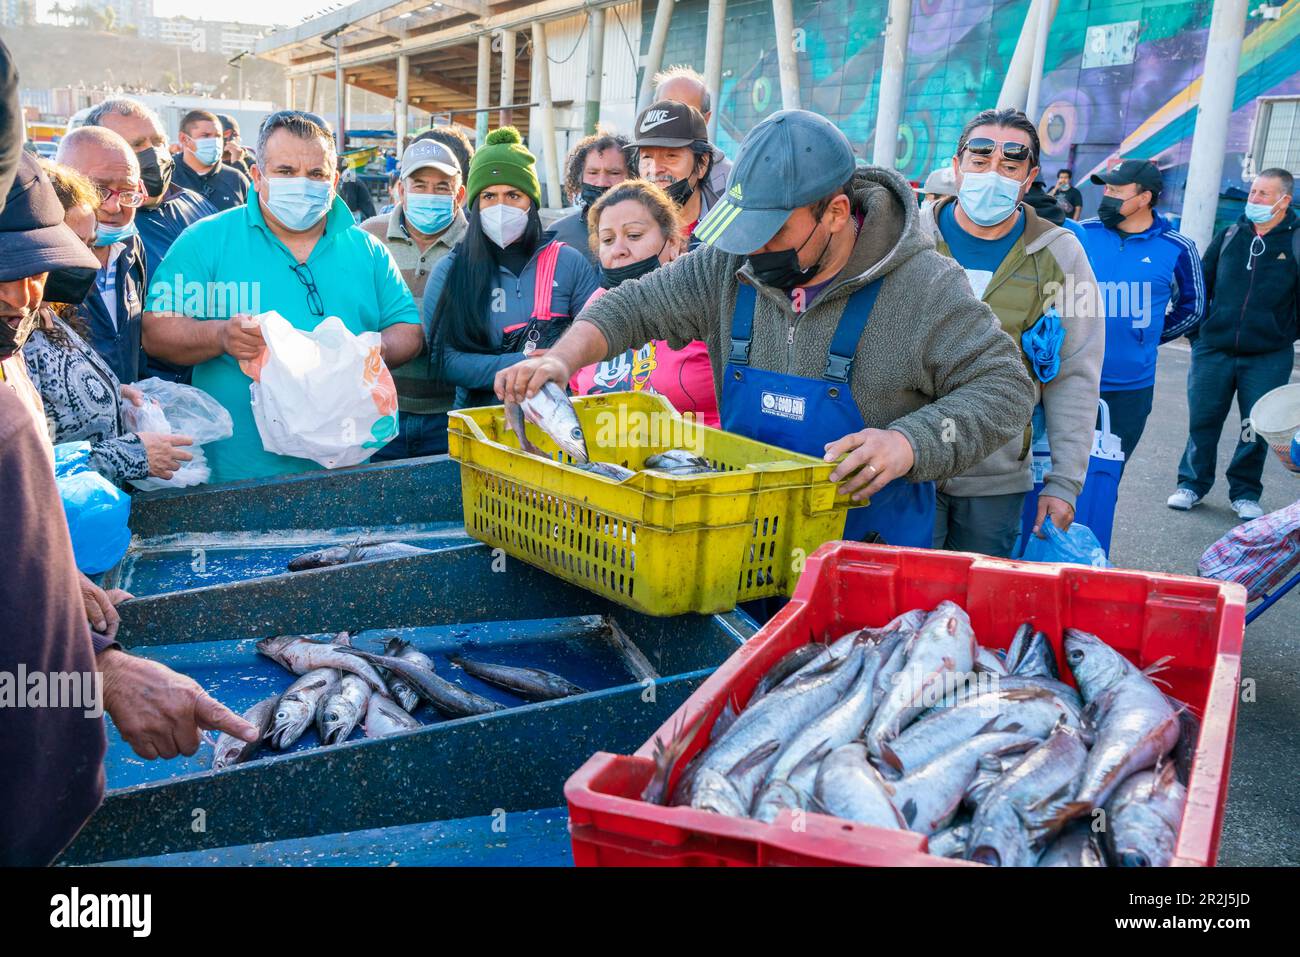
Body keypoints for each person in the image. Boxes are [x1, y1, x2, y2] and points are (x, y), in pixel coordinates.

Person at [499, 110, 1036, 549]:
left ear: (835, 212)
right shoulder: (726, 266)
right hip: (742, 543)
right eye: (745, 229)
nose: (755, 250)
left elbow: (1005, 388)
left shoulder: (925, 287)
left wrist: (908, 442)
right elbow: (631, 308)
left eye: (774, 232)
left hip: (866, 551)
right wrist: (560, 359)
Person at [0, 156, 257, 866]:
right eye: (5, 271)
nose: (26, 294)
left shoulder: (14, 344)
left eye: (39, 270)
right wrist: (99, 672)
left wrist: (51, 580)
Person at [142, 110, 423, 484]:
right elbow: (156, 331)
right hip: (238, 475)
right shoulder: (205, 241)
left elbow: (408, 328)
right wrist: (220, 336)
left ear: (335, 180)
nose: (302, 184)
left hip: (346, 468)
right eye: (286, 172)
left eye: (316, 174)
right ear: (257, 176)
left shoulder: (366, 250)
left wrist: (368, 352)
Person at [919, 108, 1103, 557]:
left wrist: (1064, 483)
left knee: (977, 603)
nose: (992, 174)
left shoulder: (1059, 254)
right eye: (980, 161)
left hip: (994, 476)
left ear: (1029, 177)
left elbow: (1076, 372)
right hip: (905, 464)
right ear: (957, 165)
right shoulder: (909, 238)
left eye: (1009, 165)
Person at [25, 161, 194, 485]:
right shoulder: (12, 336)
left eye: (91, 243)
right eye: (79, 243)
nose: (90, 260)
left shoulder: (49, 314)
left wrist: (114, 395)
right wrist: (131, 455)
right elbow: (25, 470)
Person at [425, 126, 599, 408]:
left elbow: (597, 337)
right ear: (475, 204)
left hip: (556, 418)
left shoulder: (569, 263)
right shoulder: (451, 271)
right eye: (489, 196)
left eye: (513, 195)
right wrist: (525, 364)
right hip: (480, 422)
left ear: (531, 202)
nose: (501, 206)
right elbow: (445, 360)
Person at [1170, 167, 1299, 520]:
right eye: (1252, 191)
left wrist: (1283, 332)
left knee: (1253, 427)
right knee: (1204, 419)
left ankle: (1244, 492)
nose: (1253, 199)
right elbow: (1199, 286)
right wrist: (1199, 335)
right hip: (1214, 349)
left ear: (1284, 200)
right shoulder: (1230, 235)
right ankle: (1192, 484)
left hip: (1267, 355)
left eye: (1263, 194)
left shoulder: (1295, 241)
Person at [1079, 159, 1204, 467]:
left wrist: (1146, 337)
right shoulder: (1080, 235)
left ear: (1144, 198)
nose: (1107, 195)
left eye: (1116, 189)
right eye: (1106, 188)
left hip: (1128, 389)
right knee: (1048, 476)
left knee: (1103, 477)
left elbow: (1194, 307)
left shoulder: (1178, 248)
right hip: (1068, 381)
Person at [85, 97, 220, 383]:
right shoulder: (106, 226)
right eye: (135, 145)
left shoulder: (196, 205)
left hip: (207, 380)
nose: (151, 154)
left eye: (156, 141)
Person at [571, 178, 719, 425]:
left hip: (701, 458)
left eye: (634, 235)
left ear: (672, 244)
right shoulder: (595, 304)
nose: (618, 249)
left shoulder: (701, 298)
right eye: (607, 240)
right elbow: (577, 387)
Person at [361, 138, 467, 459]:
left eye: (441, 187)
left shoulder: (477, 242)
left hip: (449, 412)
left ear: (459, 194)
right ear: (400, 190)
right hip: (379, 410)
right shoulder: (369, 236)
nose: (429, 196)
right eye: (419, 185)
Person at [55, 126, 150, 386]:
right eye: (99, 190)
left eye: (128, 192)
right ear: (63, 185)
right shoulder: (43, 262)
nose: (114, 206)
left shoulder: (131, 247)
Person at [631, 100, 714, 240]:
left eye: (671, 156)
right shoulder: (622, 230)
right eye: (647, 157)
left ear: (702, 164)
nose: (655, 169)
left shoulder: (726, 232)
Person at [653, 64, 731, 208]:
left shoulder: (730, 181)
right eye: (667, 109)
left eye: (686, 112)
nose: (673, 119)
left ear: (706, 119)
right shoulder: (628, 166)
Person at [550, 130, 631, 267]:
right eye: (593, 173)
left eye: (614, 173)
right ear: (580, 177)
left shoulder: (649, 230)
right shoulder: (559, 234)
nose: (602, 182)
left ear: (632, 175)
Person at [171, 109, 250, 211]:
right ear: (184, 139)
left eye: (218, 136)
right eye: (205, 135)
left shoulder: (236, 179)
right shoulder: (168, 176)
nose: (215, 141)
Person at [215, 112, 255, 177]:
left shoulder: (251, 164)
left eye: (223, 134)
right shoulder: (208, 163)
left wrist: (238, 163)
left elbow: (253, 186)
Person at [338, 157, 377, 222]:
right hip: (368, 214)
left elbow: (351, 206)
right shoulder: (350, 177)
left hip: (364, 217)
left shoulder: (349, 180)